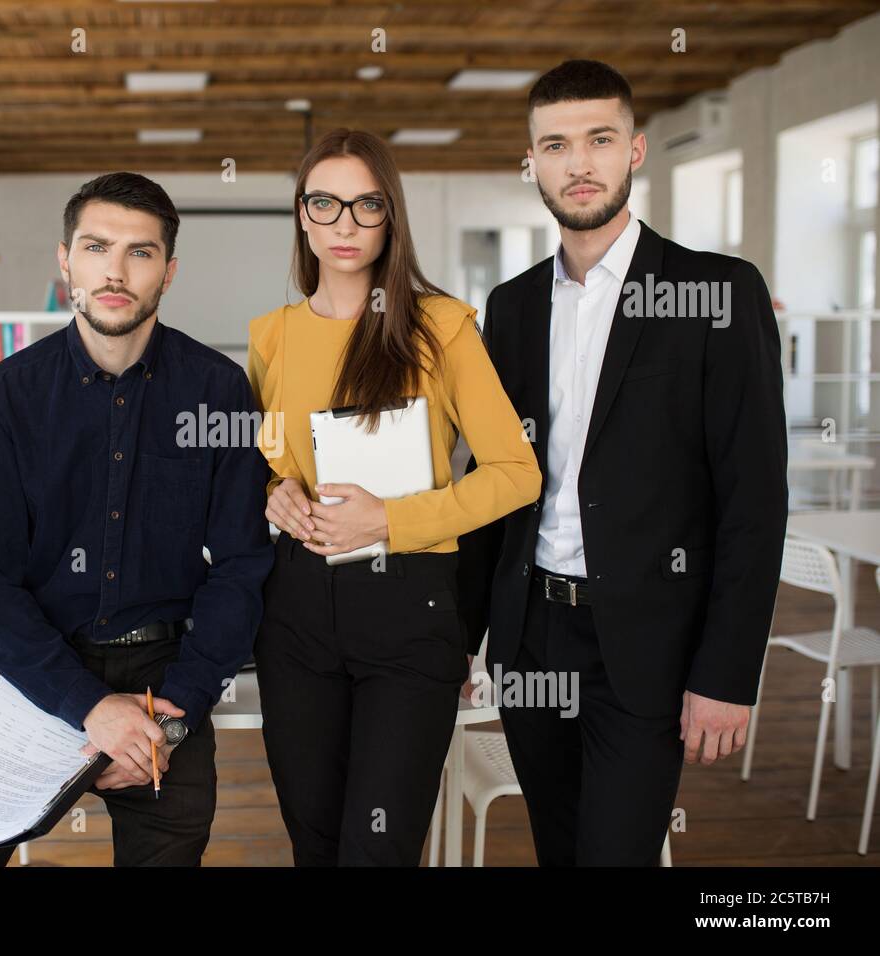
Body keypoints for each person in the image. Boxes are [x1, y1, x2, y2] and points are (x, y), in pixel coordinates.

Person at [457, 59, 788, 866]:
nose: (579, 164)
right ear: (530, 162)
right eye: (556, 145)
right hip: (533, 635)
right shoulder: (511, 305)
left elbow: (753, 500)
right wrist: (466, 640)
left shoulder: (718, 292)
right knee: (558, 846)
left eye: (599, 139)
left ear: (635, 150)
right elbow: (495, 484)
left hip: (646, 643)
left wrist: (728, 674)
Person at [0, 172, 274, 867]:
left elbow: (240, 568)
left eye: (140, 253)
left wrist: (174, 714)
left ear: (168, 273)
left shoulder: (218, 390)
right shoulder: (5, 396)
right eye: (96, 247)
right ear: (65, 260)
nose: (115, 270)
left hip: (166, 680)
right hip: (41, 669)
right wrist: (91, 706)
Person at [247, 129, 542, 866]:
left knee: (377, 851)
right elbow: (264, 463)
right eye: (326, 203)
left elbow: (516, 472)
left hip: (409, 612)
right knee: (314, 845)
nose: (345, 224)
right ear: (302, 215)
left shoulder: (441, 328)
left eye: (366, 204)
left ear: (390, 217)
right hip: (296, 613)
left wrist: (393, 519)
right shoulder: (272, 337)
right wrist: (272, 492)